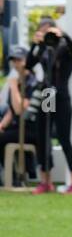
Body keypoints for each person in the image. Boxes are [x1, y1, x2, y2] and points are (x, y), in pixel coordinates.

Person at [26, 18, 72, 193]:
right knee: (43, 137)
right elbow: (29, 64)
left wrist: (62, 33)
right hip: (48, 94)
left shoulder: (65, 49)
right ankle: (45, 181)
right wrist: (35, 44)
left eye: (49, 31)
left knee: (64, 139)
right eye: (43, 31)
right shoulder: (44, 50)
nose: (47, 34)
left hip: (62, 94)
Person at [0, 47, 40, 184]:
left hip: (30, 128)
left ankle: (15, 178)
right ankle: (11, 177)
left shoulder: (33, 82)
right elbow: (11, 111)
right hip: (17, 127)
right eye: (13, 60)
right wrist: (1, 125)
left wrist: (14, 87)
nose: (16, 64)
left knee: (3, 138)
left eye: (19, 60)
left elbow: (19, 110)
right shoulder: (17, 82)